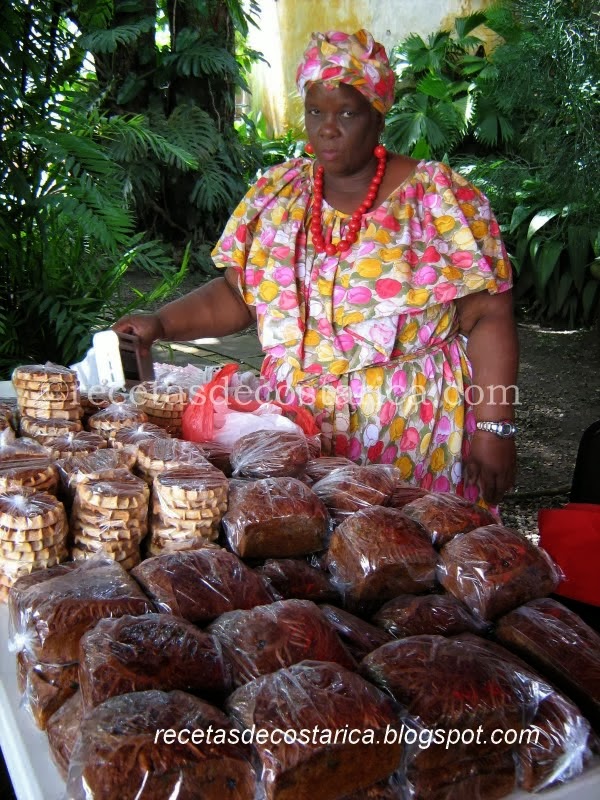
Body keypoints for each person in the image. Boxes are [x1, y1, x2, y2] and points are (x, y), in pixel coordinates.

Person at [114, 29, 518, 507]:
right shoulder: (279, 195)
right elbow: (238, 294)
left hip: (412, 431)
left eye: (347, 112)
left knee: (414, 555)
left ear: (378, 114)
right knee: (311, 558)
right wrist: (161, 323)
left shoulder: (436, 199)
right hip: (298, 431)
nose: (328, 128)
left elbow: (489, 315)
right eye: (315, 112)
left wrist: (495, 427)